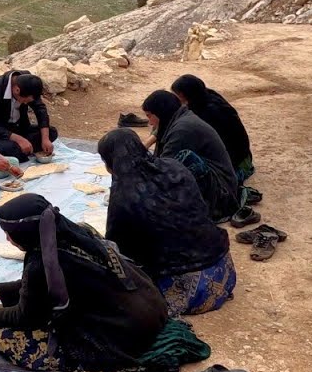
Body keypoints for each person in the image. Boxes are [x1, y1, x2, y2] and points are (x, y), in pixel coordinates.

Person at [0, 194, 168, 372]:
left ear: (26, 232)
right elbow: (40, 286)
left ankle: (83, 361)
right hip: (151, 308)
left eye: (10, 233)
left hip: (124, 333)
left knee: (7, 339)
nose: (8, 239)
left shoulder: (42, 262)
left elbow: (27, 316)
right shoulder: (74, 232)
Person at [97, 130, 236, 316]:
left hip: (190, 291)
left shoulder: (124, 195)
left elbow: (118, 250)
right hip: (222, 269)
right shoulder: (175, 167)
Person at [142, 90, 256, 227]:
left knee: (184, 161)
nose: (149, 123)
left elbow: (162, 170)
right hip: (220, 182)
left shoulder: (182, 130)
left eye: (150, 116)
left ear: (161, 113)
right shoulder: (178, 119)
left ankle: (205, 208)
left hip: (222, 195)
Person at [171, 74, 257, 195]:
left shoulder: (209, 112)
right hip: (243, 157)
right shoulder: (205, 97)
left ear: (187, 95)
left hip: (238, 166)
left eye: (179, 96)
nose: (177, 100)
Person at [0, 70, 58, 162]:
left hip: (20, 128)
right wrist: (18, 139)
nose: (26, 103)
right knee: (11, 147)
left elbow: (40, 109)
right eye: (25, 100)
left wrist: (45, 138)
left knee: (51, 132)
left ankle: (22, 149)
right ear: (17, 90)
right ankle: (18, 149)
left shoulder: (29, 82)